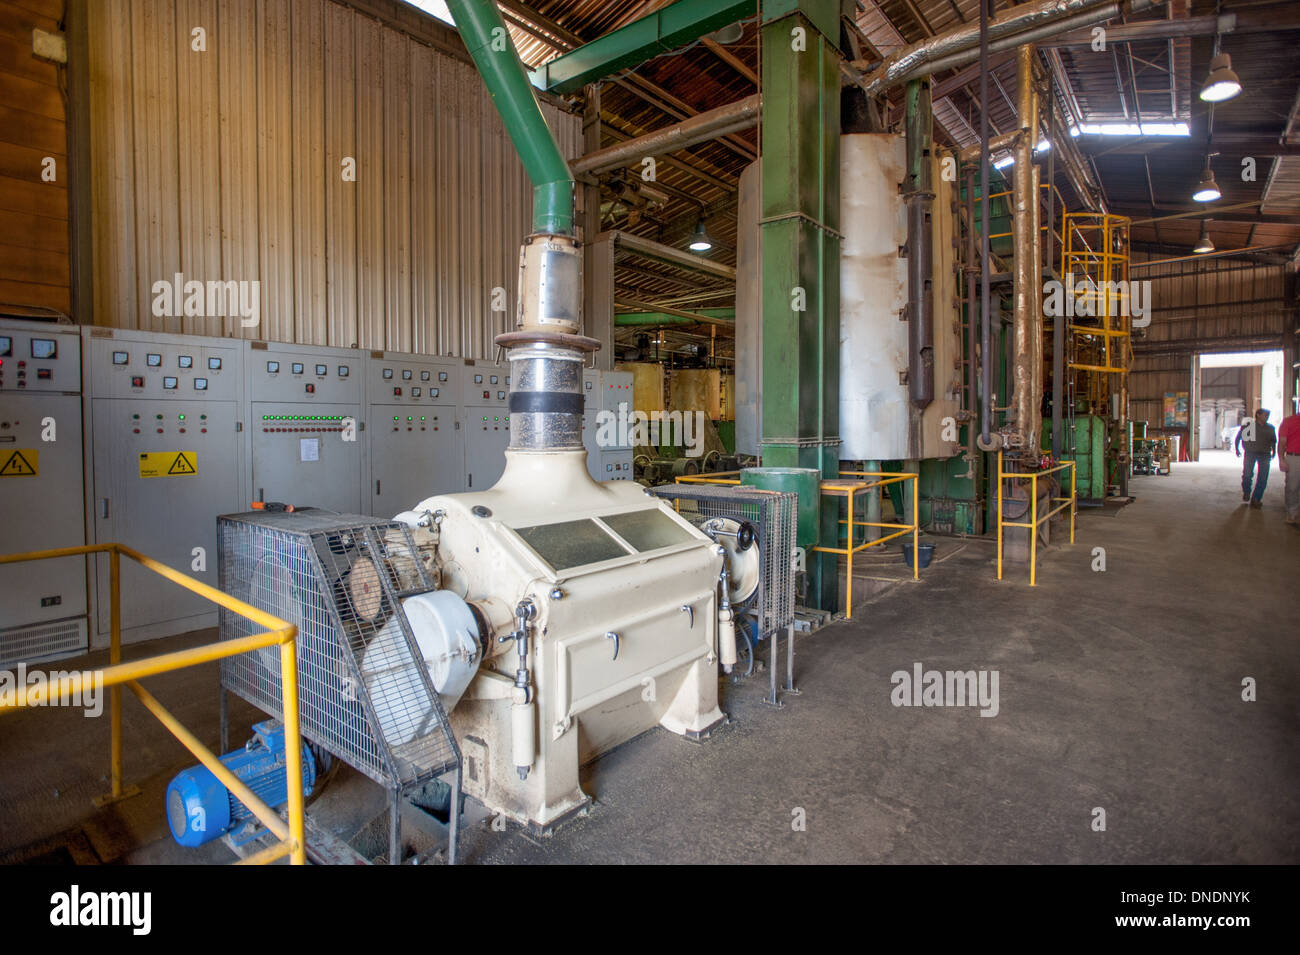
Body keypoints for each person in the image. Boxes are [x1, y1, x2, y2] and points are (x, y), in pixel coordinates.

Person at [1235, 408, 1277, 509]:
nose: (1267, 417)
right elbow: (1239, 438)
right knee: (1247, 475)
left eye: (1268, 416)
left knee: (1263, 477)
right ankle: (1246, 492)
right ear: (1258, 415)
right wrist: (1237, 449)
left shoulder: (1270, 428)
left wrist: (1274, 451)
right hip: (1251, 453)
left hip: (1265, 454)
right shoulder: (1249, 426)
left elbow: (1273, 441)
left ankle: (1256, 498)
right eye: (1265, 415)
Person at [1278, 408, 1300, 525]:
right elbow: (1282, 442)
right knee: (1292, 487)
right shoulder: (1289, 421)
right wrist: (1281, 459)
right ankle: (1292, 513)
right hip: (1294, 458)